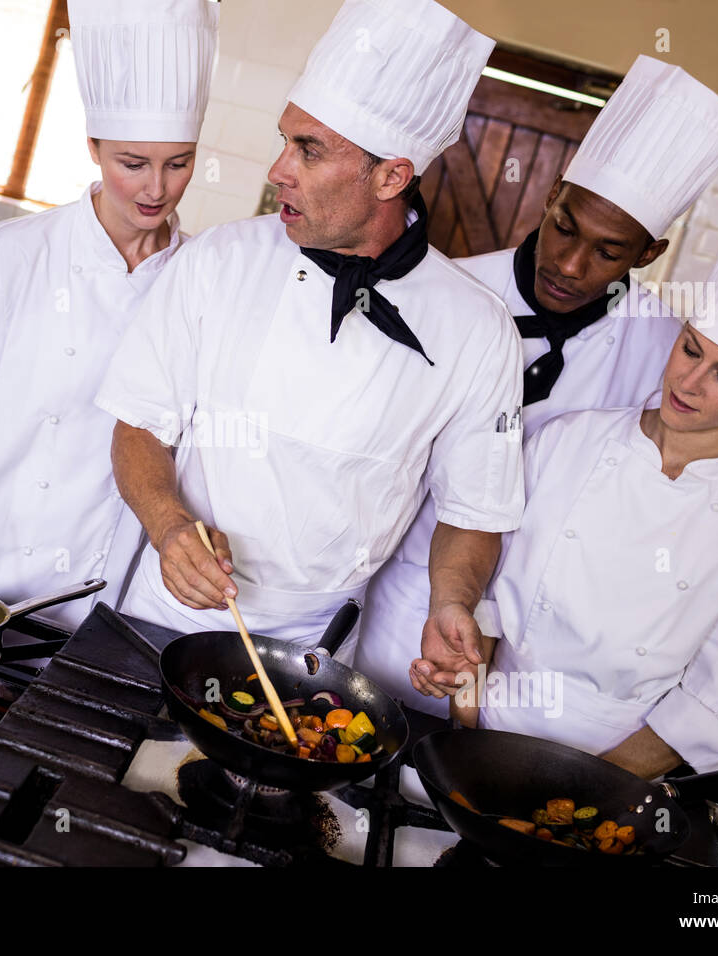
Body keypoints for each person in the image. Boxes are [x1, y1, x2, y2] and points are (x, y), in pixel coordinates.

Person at [95, 0, 524, 647]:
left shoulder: (478, 329)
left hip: (316, 645)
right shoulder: (218, 260)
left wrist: (453, 604)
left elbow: (474, 509)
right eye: (285, 140)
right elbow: (138, 424)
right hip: (171, 614)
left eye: (309, 151)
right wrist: (170, 526)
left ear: (390, 176)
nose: (278, 170)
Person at [355, 55, 718, 712]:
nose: (569, 264)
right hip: (398, 598)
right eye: (566, 227)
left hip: (540, 649)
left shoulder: (668, 355)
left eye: (608, 251)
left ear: (649, 254)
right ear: (550, 196)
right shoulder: (447, 292)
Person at [430, 184, 718, 777]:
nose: (688, 384)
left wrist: (580, 798)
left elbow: (707, 704)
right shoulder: (568, 439)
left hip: (615, 770)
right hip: (486, 729)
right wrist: (470, 719)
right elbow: (489, 606)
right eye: (689, 350)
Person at [0, 0, 219, 628]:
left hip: (89, 597)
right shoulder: (16, 254)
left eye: (178, 164)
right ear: (94, 146)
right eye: (133, 164)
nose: (156, 188)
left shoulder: (200, 279)